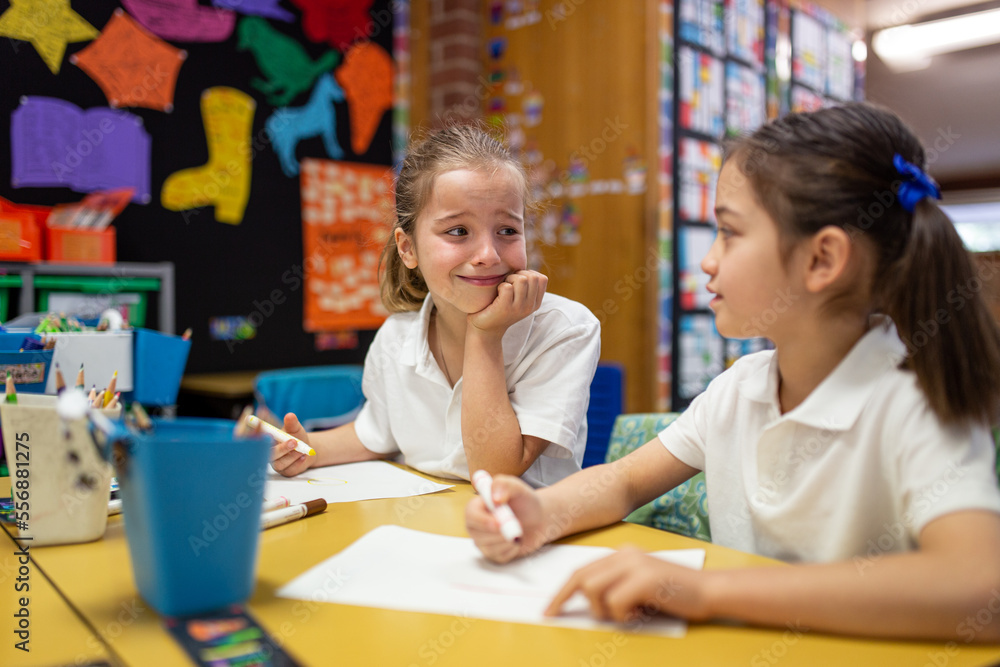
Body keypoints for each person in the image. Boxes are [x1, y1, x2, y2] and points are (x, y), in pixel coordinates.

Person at [465, 103, 1000, 641]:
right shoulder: (741, 387)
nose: (708, 260)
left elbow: (981, 587)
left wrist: (705, 591)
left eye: (729, 232)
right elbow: (623, 481)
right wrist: (539, 512)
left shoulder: (914, 404)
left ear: (822, 260)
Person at [270, 124, 600, 487]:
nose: (488, 255)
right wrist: (306, 447)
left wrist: (485, 334)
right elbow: (375, 434)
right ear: (408, 248)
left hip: (522, 535)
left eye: (507, 230)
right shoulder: (396, 337)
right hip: (426, 528)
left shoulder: (565, 328)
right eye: (458, 231)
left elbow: (495, 473)